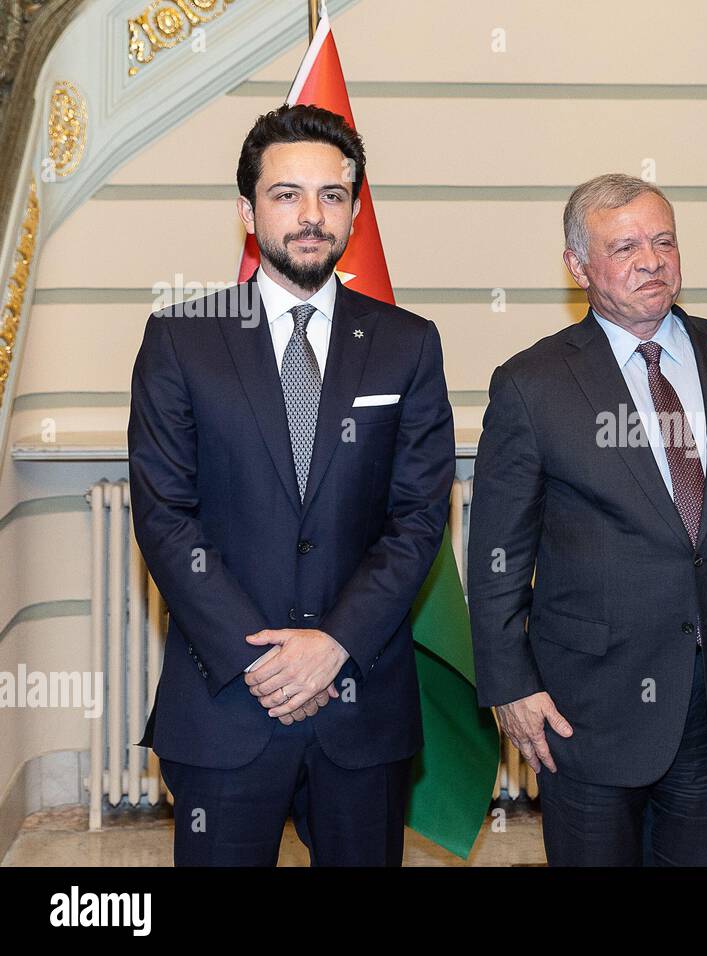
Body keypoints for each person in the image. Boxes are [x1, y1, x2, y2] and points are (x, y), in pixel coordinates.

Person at [127, 104, 455, 866]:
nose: (312, 216)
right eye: (286, 195)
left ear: (354, 210)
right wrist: (266, 661)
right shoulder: (181, 340)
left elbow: (416, 519)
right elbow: (166, 517)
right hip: (226, 700)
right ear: (248, 211)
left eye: (332, 195)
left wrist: (333, 644)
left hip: (361, 699)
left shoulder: (408, 344)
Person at [468, 173, 707, 866]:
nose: (651, 261)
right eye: (624, 247)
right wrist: (510, 684)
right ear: (578, 266)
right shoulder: (532, 384)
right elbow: (498, 552)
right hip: (583, 705)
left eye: (663, 241)